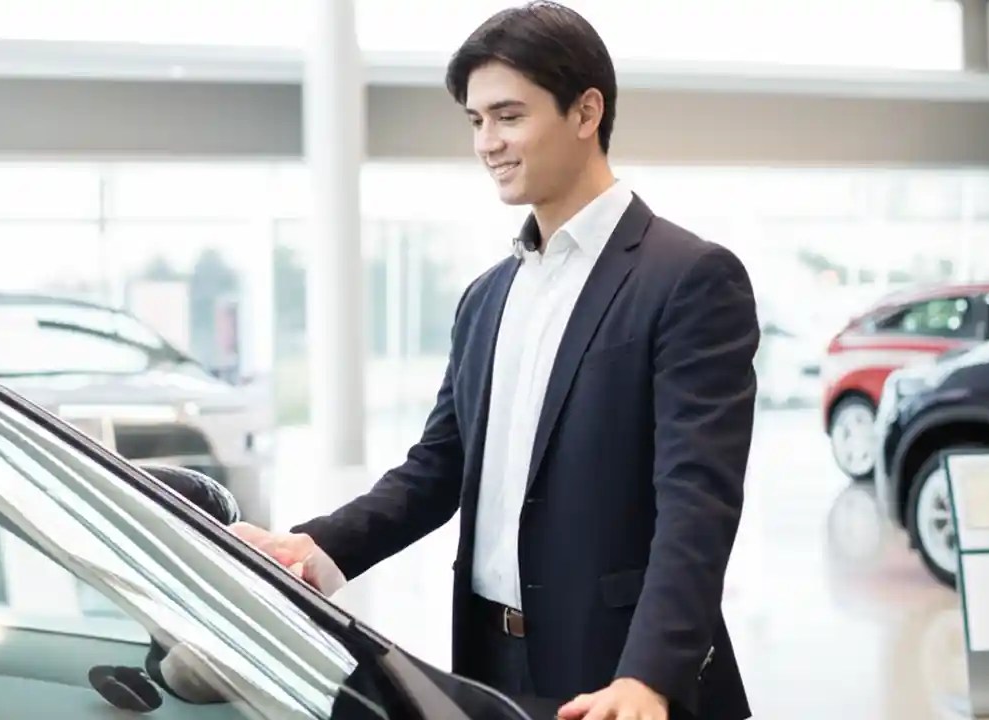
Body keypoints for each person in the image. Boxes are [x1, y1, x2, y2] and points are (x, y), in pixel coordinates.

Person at [232, 3, 759, 719]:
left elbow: (697, 504)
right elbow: (436, 469)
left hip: (620, 674)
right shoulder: (488, 297)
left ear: (585, 112)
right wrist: (315, 548)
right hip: (489, 661)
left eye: (508, 116)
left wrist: (649, 676)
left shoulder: (689, 278)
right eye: (476, 121)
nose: (488, 142)